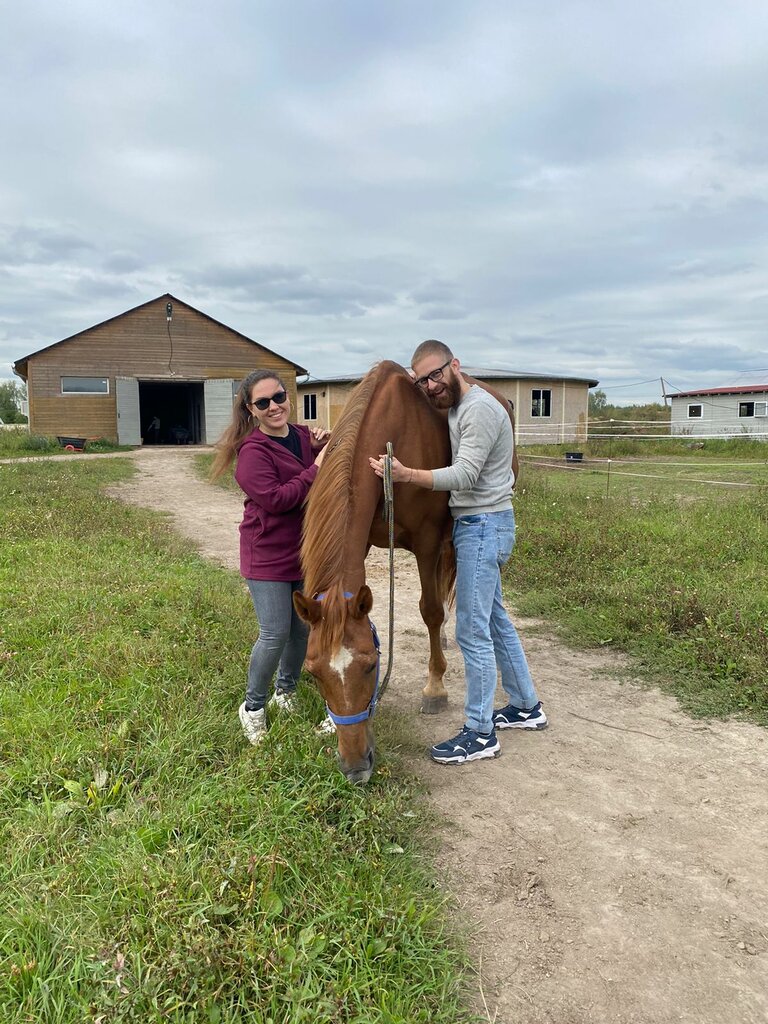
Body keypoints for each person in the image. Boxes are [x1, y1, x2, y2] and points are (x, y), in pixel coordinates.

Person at [369, 341, 546, 766]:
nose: (431, 385)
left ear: (455, 365)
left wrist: (406, 474)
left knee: (471, 631)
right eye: (422, 381)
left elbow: (466, 475)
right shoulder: (456, 407)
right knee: (496, 620)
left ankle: (480, 732)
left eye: (436, 374)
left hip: (483, 526)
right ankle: (525, 706)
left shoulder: (480, 409)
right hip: (481, 525)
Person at [212, 370, 329, 746]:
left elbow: (313, 460)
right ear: (251, 410)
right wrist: (316, 468)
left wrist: (318, 447)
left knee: (301, 629)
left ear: (287, 396)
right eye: (263, 403)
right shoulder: (252, 453)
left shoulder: (299, 435)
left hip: (303, 551)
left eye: (278, 397)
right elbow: (278, 499)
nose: (274, 406)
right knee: (275, 633)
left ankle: (287, 691)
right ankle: (253, 707)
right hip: (266, 554)